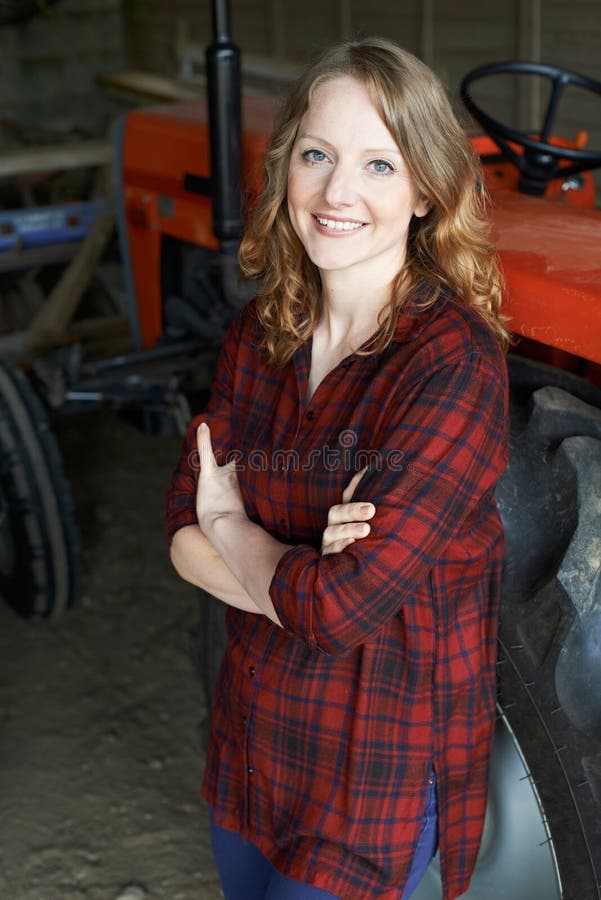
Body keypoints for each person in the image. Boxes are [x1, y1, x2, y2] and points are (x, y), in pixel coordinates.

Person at [166, 37, 509, 900]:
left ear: (426, 190)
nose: (336, 193)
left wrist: (233, 526)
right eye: (316, 155)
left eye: (378, 165)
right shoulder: (259, 333)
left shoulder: (450, 366)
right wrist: (300, 573)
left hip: (371, 781)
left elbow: (341, 604)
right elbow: (179, 536)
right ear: (287, 166)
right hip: (252, 753)